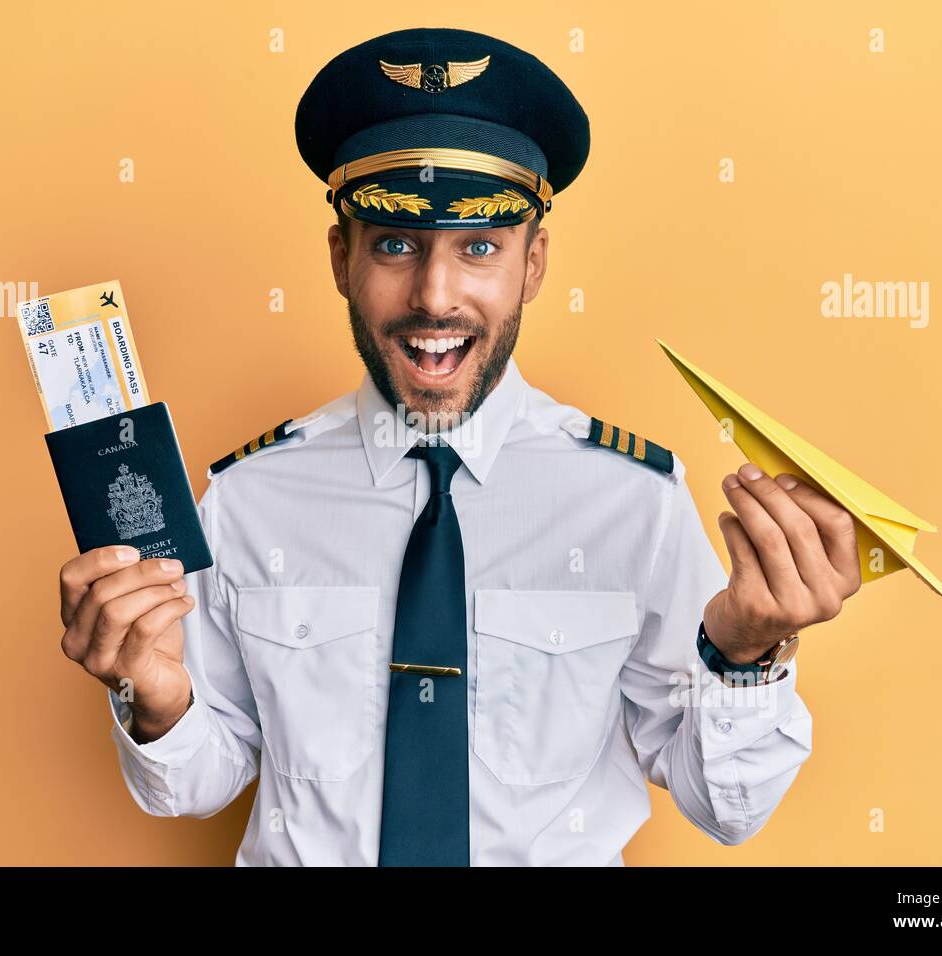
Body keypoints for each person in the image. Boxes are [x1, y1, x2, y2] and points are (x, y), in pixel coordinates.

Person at [56, 27, 861, 866]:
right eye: (396, 244)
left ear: (534, 264)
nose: (435, 297)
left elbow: (723, 806)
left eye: (479, 247)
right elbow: (198, 780)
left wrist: (744, 656)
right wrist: (154, 697)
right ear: (341, 257)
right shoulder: (249, 497)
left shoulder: (634, 499)